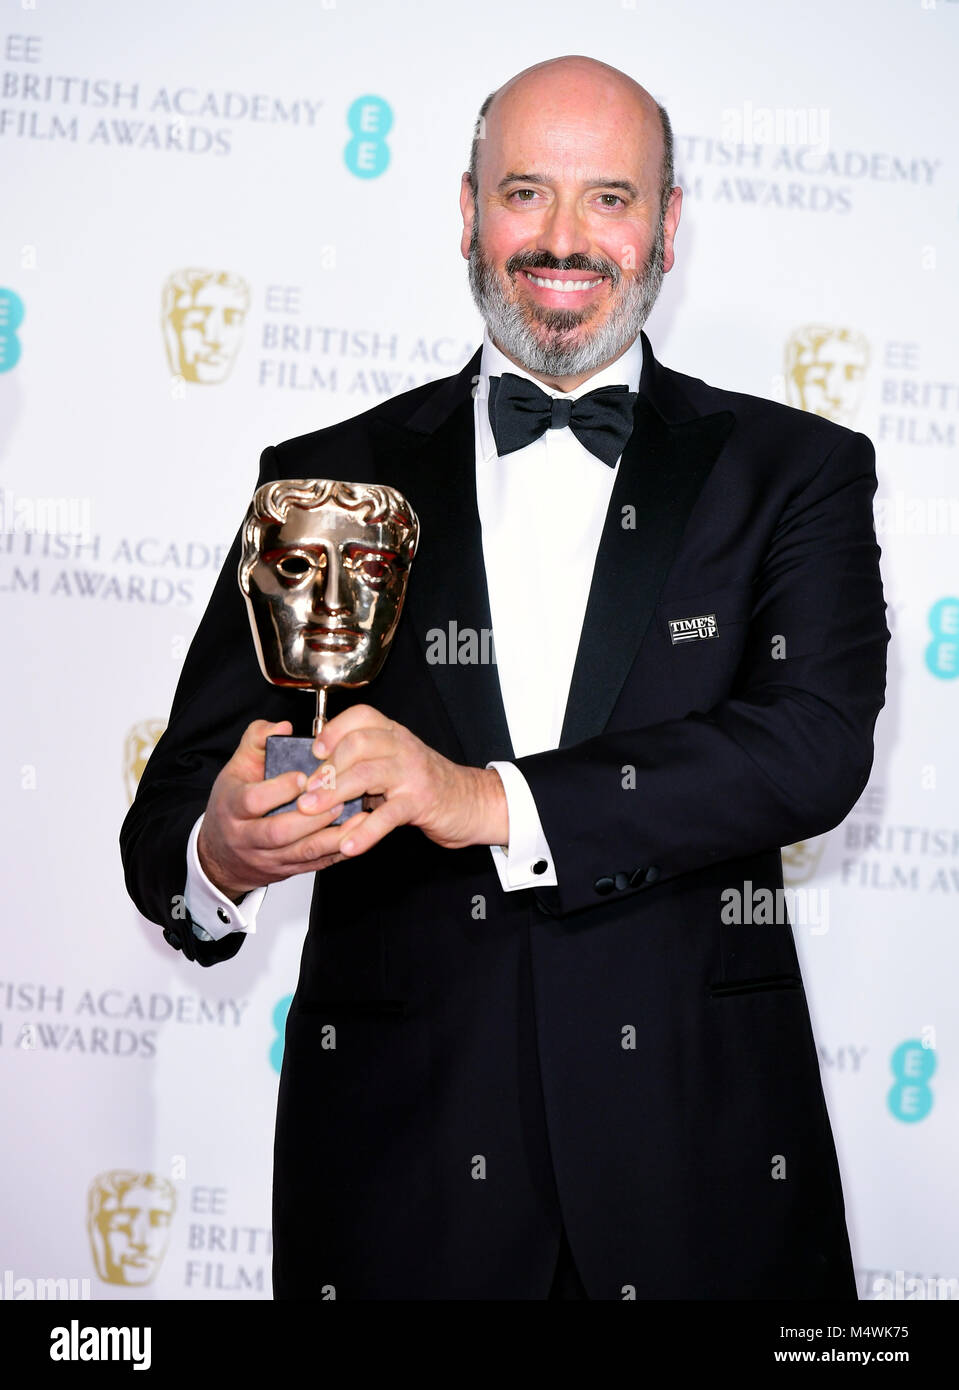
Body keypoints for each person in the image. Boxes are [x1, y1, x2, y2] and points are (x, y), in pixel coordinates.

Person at [121, 55, 888, 1300]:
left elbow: (810, 747)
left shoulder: (791, 470)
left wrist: (485, 798)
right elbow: (171, 821)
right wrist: (221, 851)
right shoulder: (326, 477)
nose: (563, 239)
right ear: (467, 210)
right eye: (525, 192)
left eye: (608, 197)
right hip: (394, 1176)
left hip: (697, 1164)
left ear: (667, 225)